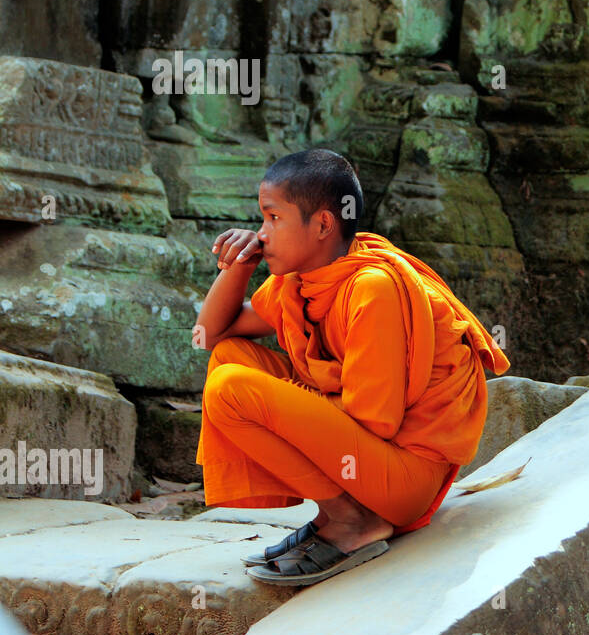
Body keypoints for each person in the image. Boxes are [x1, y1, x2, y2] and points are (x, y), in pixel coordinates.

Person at [192, 148, 509, 586]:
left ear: (323, 224)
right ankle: (335, 515)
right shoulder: (304, 280)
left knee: (231, 389)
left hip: (404, 478)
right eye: (262, 220)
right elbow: (210, 335)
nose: (261, 234)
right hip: (365, 463)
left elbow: (375, 422)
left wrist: (291, 408)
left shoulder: (371, 287)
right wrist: (238, 268)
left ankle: (353, 521)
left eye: (273, 218)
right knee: (230, 360)